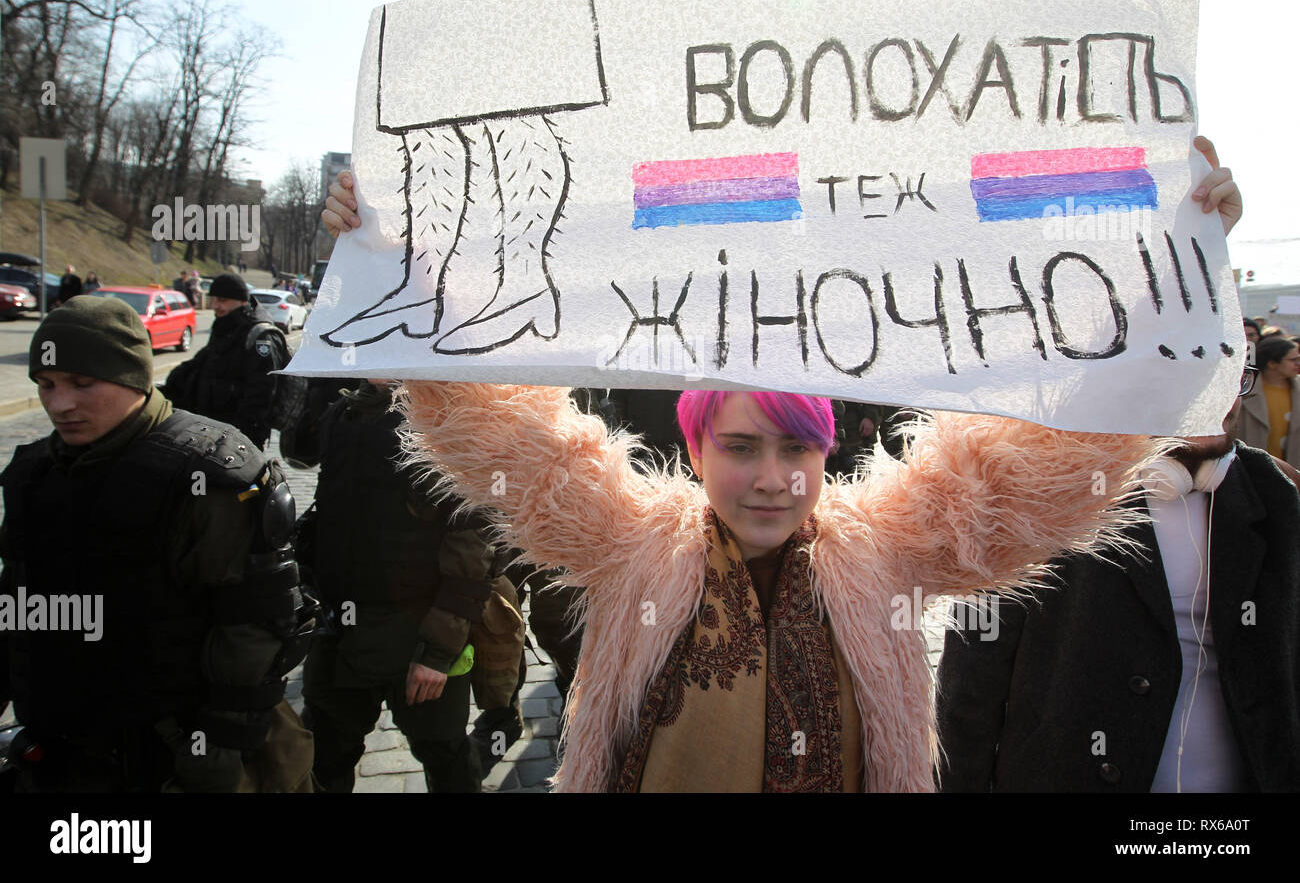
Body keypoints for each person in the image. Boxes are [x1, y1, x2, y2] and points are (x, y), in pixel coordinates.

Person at [324, 150, 1239, 791]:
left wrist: (1177, 266)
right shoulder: (626, 538)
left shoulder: (893, 548)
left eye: (795, 448)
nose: (771, 478)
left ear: (826, 449)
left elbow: (1054, 467)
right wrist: (388, 265)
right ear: (693, 450)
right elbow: (496, 431)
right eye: (741, 446)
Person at [935, 361, 1300, 791]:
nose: (1219, 394)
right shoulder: (1035, 493)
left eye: (1232, 372)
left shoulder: (1276, 494)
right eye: (1196, 369)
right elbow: (972, 680)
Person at [0, 296, 316, 792]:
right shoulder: (33, 473)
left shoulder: (211, 476)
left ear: (133, 378)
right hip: (62, 747)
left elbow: (255, 629)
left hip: (170, 749)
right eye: (46, 385)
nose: (60, 403)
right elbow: (17, 603)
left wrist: (217, 753)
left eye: (83, 383)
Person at [297, 379, 498, 792]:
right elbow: (306, 466)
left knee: (447, 761)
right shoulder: (345, 411)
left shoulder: (449, 420)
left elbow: (474, 545)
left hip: (419, 638)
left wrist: (439, 651)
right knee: (323, 757)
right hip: (340, 635)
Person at [163, 272, 285, 449]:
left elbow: (262, 391)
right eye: (213, 299)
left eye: (222, 300)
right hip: (211, 425)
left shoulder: (259, 334)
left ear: (242, 301)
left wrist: (241, 433)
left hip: (239, 435)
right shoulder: (225, 325)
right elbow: (204, 363)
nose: (215, 306)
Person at [1234, 333, 1300, 468]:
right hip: (1254, 471)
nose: (1298, 364)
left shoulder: (1297, 391)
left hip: (1292, 472)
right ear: (1272, 364)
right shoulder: (1243, 392)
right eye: (1293, 360)